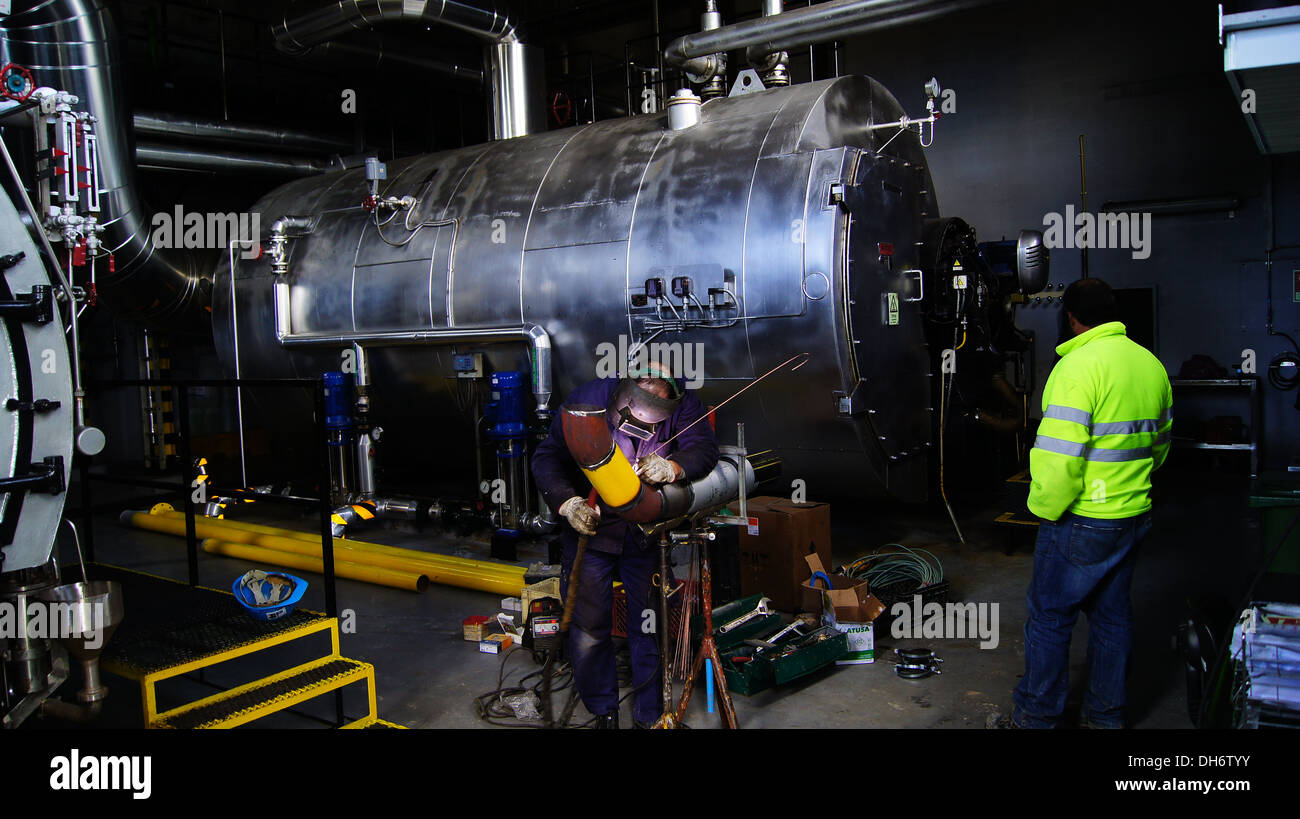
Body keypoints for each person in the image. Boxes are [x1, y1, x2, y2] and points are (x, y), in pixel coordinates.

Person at [1012, 277, 1172, 729]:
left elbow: (1060, 461)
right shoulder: (1150, 365)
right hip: (1132, 513)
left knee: (1049, 618)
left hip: (1081, 520)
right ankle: (1105, 716)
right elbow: (1160, 447)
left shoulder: (1077, 368)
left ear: (1071, 317)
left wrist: (1044, 508)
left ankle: (1036, 717)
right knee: (1112, 618)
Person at [531, 362, 719, 728]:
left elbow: (703, 449)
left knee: (649, 626)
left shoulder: (683, 401)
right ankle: (603, 711)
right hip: (590, 530)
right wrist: (567, 503)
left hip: (644, 534)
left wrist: (673, 467)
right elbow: (547, 457)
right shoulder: (587, 402)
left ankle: (649, 717)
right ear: (625, 391)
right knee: (588, 627)